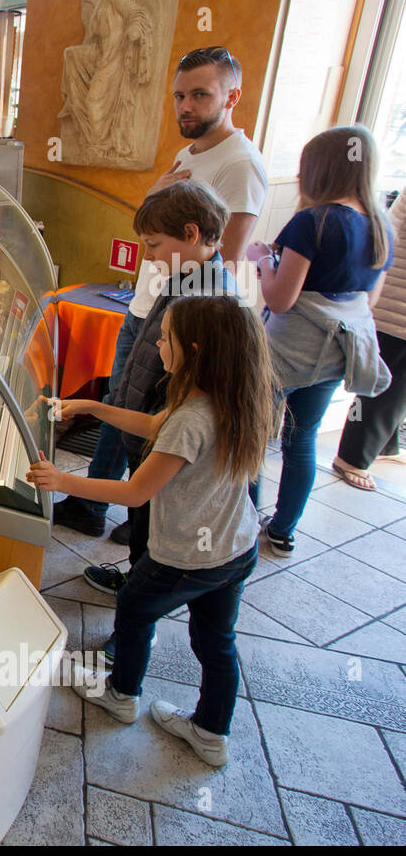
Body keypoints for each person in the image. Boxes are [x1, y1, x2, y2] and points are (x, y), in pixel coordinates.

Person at [28, 296, 278, 767]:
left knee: (136, 608)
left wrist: (62, 481)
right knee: (218, 643)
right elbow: (149, 425)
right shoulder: (232, 394)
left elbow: (137, 493)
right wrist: (92, 407)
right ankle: (210, 732)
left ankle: (122, 694)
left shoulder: (190, 416)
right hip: (236, 547)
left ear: (195, 350)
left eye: (166, 338)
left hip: (185, 556)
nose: (159, 343)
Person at [53, 46, 267, 543]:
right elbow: (157, 215)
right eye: (178, 96)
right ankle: (94, 503)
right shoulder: (189, 153)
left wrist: (175, 322)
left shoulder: (240, 162)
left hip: (179, 321)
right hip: (151, 309)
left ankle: (143, 522)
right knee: (123, 406)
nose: (185, 106)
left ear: (231, 96)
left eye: (199, 95)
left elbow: (225, 258)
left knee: (158, 430)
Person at [73, 180, 237, 609]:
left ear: (191, 234)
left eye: (154, 244)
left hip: (163, 434)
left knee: (152, 530)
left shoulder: (206, 302)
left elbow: (185, 390)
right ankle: (135, 573)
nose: (148, 256)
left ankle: (138, 599)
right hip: (148, 425)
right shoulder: (184, 274)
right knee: (142, 527)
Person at [248, 125, 393, 556]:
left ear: (317, 170)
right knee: (302, 438)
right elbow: (367, 301)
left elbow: (280, 297)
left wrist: (262, 261)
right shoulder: (380, 225)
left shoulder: (312, 222)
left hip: (286, 349)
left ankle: (242, 518)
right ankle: (284, 528)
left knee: (252, 433)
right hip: (334, 353)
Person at [332, 186, 406, 490]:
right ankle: (352, 457)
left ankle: (383, 446)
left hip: (392, 295)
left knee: (393, 384)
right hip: (398, 303)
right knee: (387, 382)